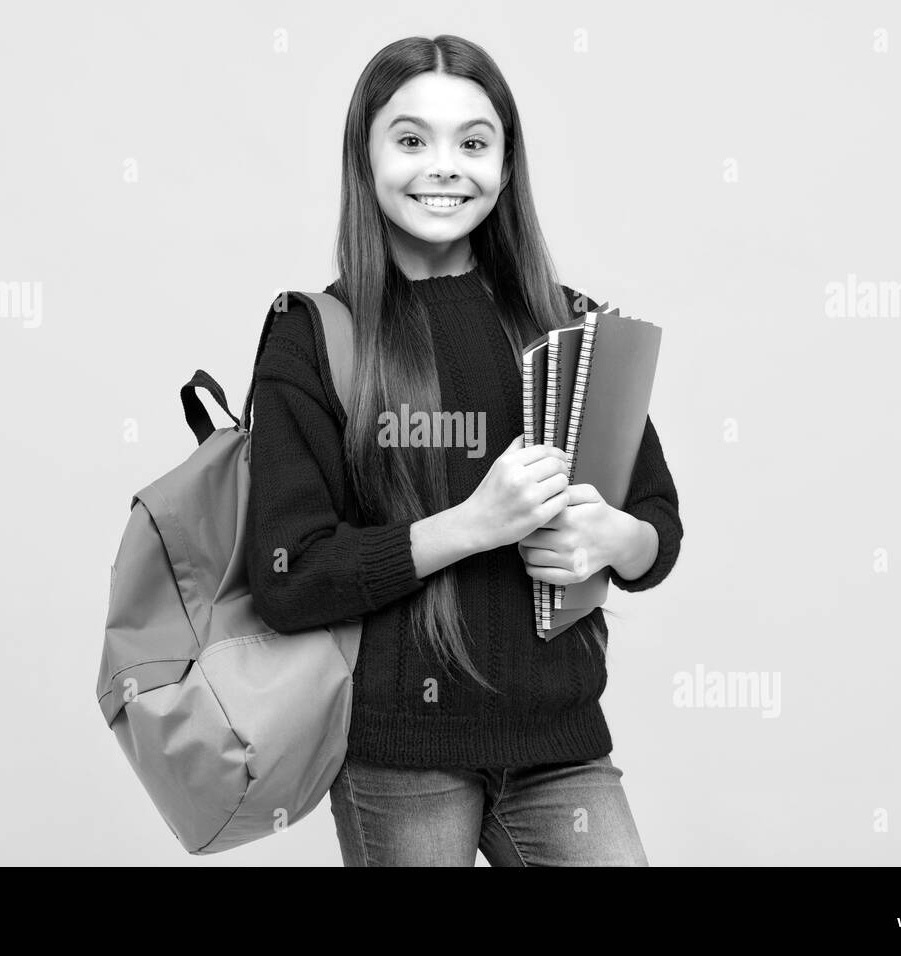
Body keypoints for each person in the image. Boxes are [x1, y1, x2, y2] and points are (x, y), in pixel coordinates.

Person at [246, 34, 683, 866]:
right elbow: (290, 576)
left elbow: (657, 522)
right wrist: (475, 524)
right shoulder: (312, 337)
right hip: (401, 757)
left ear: (507, 165)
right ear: (363, 157)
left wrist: (614, 538)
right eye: (411, 140)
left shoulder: (572, 324)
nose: (444, 167)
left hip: (560, 742)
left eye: (474, 143)